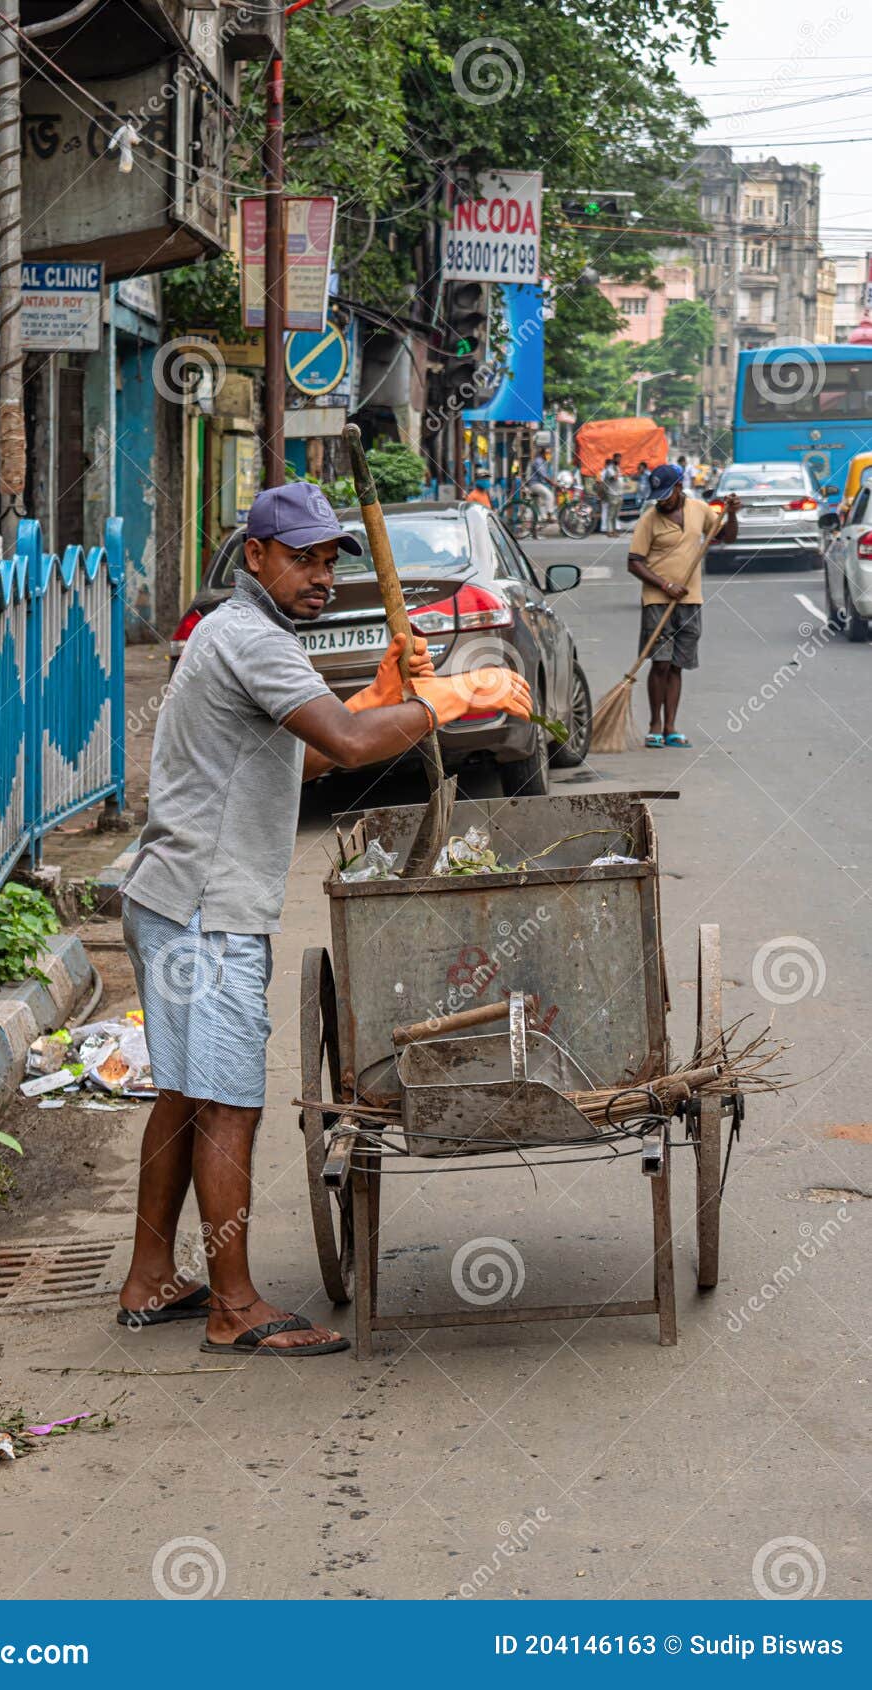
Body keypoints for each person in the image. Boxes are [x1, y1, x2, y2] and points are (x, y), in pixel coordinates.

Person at [117, 483, 532, 1357]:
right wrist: (454, 698)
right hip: (204, 908)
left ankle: (150, 1278)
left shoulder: (244, 638)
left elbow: (301, 761)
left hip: (178, 895)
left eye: (327, 560)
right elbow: (346, 746)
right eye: (299, 557)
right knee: (228, 1104)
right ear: (254, 555)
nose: (318, 576)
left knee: (186, 1096)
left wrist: (384, 691)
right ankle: (233, 1307)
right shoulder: (251, 639)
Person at [627, 463, 739, 748]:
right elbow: (634, 562)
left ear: (679, 487)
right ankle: (654, 726)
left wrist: (733, 514)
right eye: (658, 496)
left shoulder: (699, 510)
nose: (662, 500)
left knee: (677, 666)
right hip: (658, 600)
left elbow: (726, 536)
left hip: (690, 600)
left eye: (666, 493)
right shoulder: (649, 520)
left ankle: (670, 728)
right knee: (661, 663)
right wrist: (665, 586)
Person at [525, 445, 556, 523]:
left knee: (537, 506)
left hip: (538, 484)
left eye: (550, 453)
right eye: (547, 453)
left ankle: (537, 523)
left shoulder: (544, 462)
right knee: (549, 495)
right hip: (534, 485)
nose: (549, 455)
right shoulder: (538, 461)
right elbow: (543, 475)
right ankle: (550, 515)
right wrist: (553, 483)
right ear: (543, 453)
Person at [599, 453, 624, 536]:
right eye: (618, 459)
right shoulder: (610, 468)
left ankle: (614, 531)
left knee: (616, 514)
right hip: (612, 494)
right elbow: (615, 477)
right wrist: (619, 473)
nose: (619, 460)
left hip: (619, 494)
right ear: (614, 459)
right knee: (611, 514)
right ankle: (609, 531)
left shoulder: (617, 468)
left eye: (620, 459)